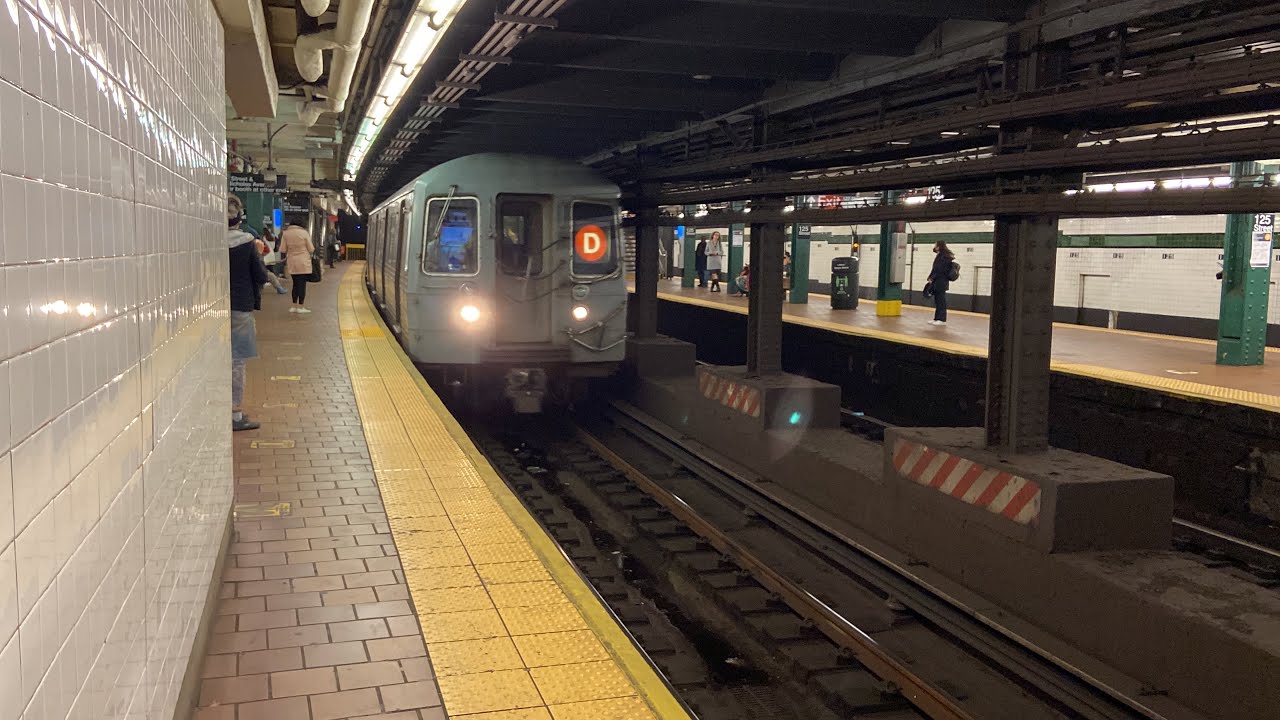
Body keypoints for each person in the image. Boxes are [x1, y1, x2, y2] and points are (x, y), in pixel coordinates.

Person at [227, 195, 268, 431]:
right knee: (237, 361)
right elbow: (260, 275)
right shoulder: (246, 242)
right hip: (240, 306)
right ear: (240, 217)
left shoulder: (208, 242)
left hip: (211, 308)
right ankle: (235, 414)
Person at [282, 221, 316, 313]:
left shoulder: (285, 233)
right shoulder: (304, 233)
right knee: (302, 284)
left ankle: (293, 306)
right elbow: (311, 248)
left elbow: (283, 249)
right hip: (303, 262)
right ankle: (301, 306)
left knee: (295, 284)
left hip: (292, 262)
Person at [926, 241, 955, 325]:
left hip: (941, 281)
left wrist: (932, 277)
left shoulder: (943, 257)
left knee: (941, 300)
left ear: (939, 246)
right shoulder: (941, 255)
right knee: (937, 300)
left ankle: (942, 319)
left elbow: (939, 269)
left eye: (936, 245)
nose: (934, 247)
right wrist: (930, 276)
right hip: (938, 281)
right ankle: (937, 318)